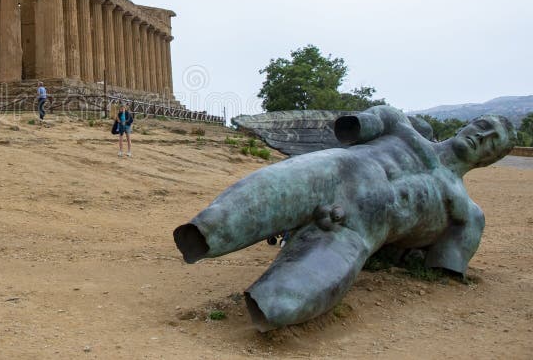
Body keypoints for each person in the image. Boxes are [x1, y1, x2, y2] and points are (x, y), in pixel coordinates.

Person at [174, 105, 515, 332]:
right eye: (482, 127)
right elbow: (353, 127)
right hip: (331, 171)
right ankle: (203, 237)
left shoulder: (467, 213)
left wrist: (398, 251)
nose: (481, 137)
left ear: (490, 159)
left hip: (357, 231)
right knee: (230, 214)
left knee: (284, 301)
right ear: (468, 123)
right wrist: (371, 118)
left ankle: (264, 309)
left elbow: (440, 267)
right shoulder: (400, 125)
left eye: (492, 142)